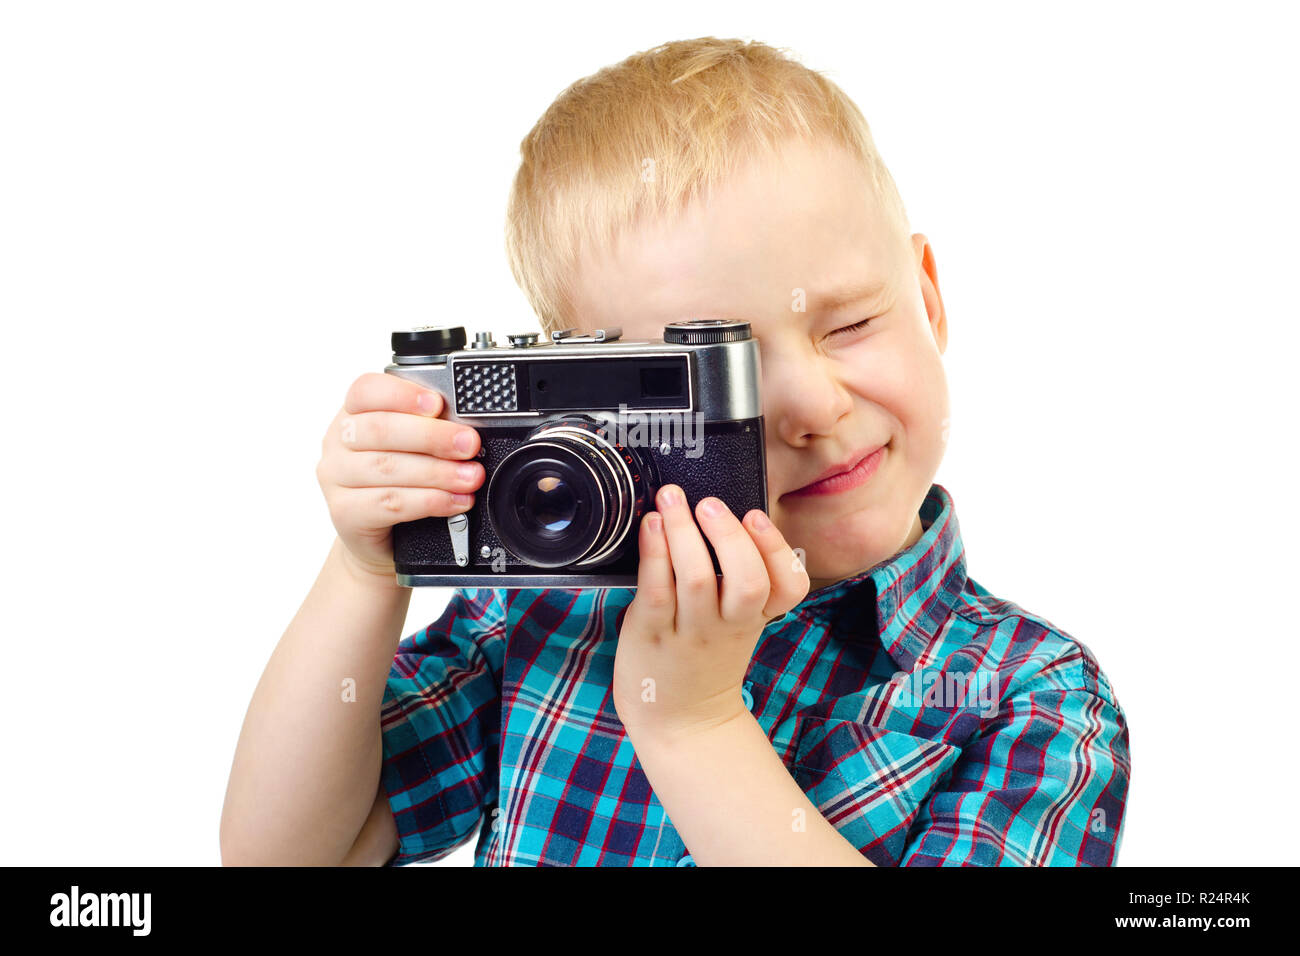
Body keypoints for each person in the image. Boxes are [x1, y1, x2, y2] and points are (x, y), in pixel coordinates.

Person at [220, 36, 1130, 866]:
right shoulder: (541, 622)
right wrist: (364, 577)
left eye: (850, 323)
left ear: (928, 300)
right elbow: (284, 856)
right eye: (715, 376)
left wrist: (691, 723)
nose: (813, 406)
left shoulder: (1031, 699)